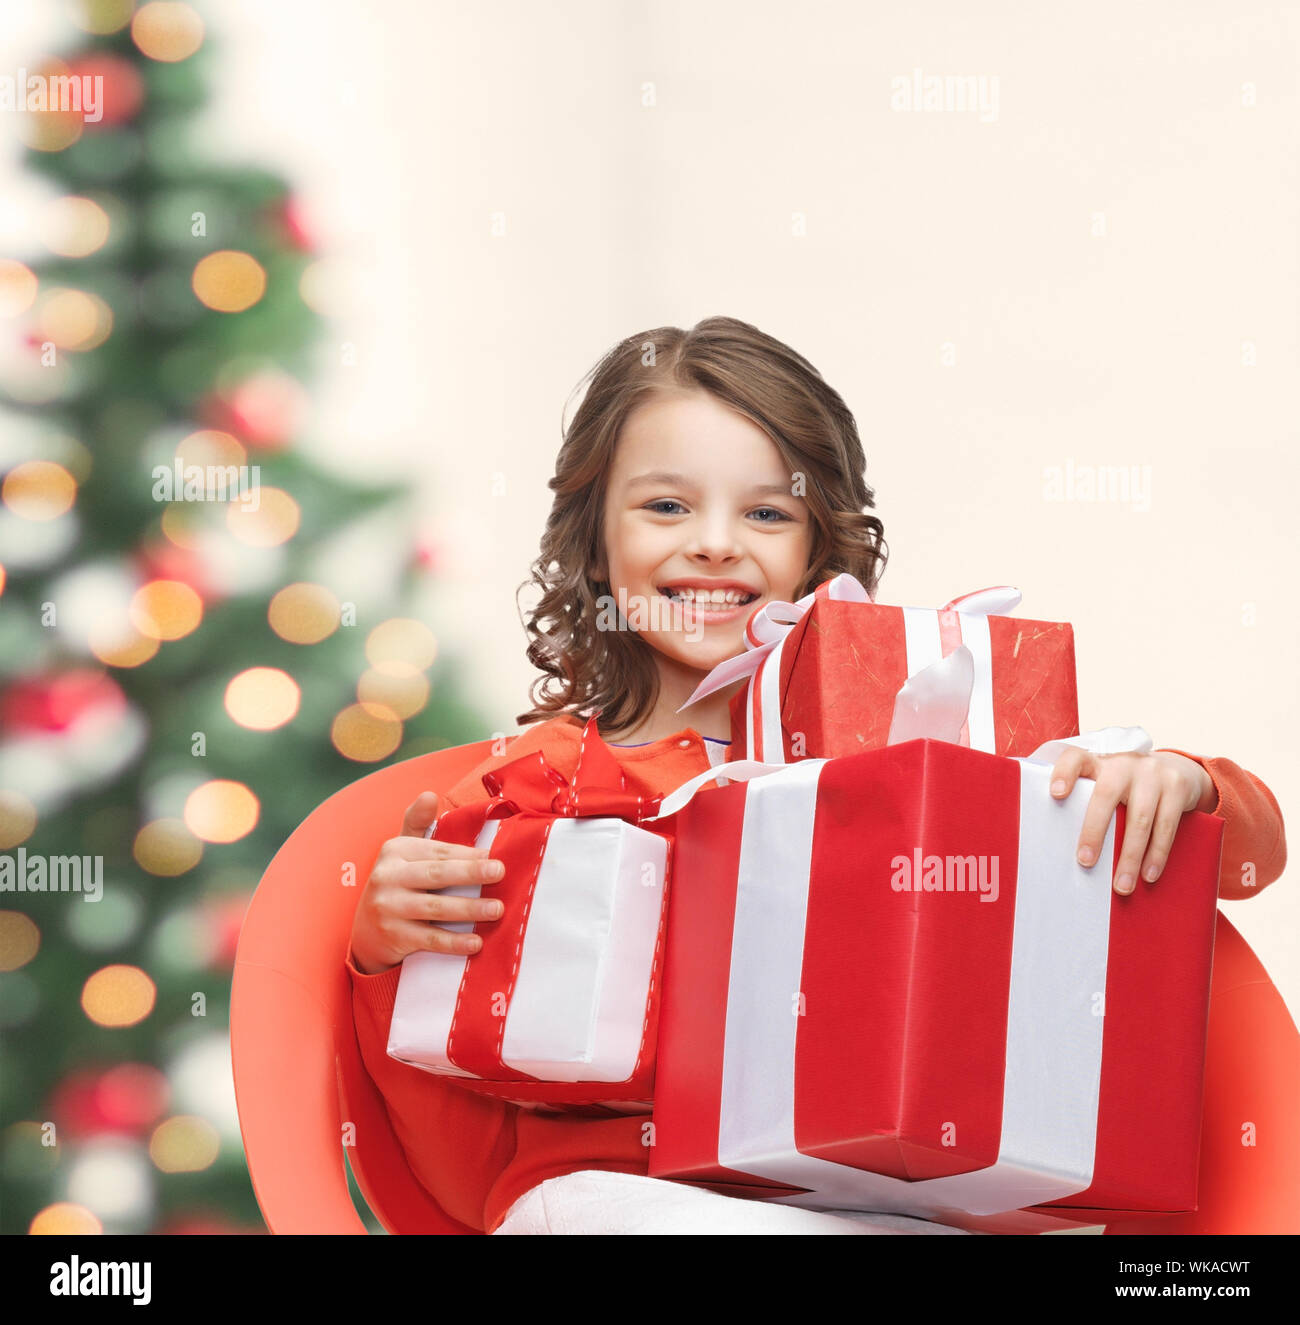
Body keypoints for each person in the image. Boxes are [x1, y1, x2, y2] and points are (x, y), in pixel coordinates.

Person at [347, 316, 1287, 1235]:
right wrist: (389, 954)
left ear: (818, 550)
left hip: (878, 1199)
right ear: (594, 541)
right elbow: (449, 1141)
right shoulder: (542, 788)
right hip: (611, 1196)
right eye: (666, 505)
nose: (716, 543)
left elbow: (1244, 862)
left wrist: (1185, 784)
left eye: (766, 511)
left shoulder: (906, 768)